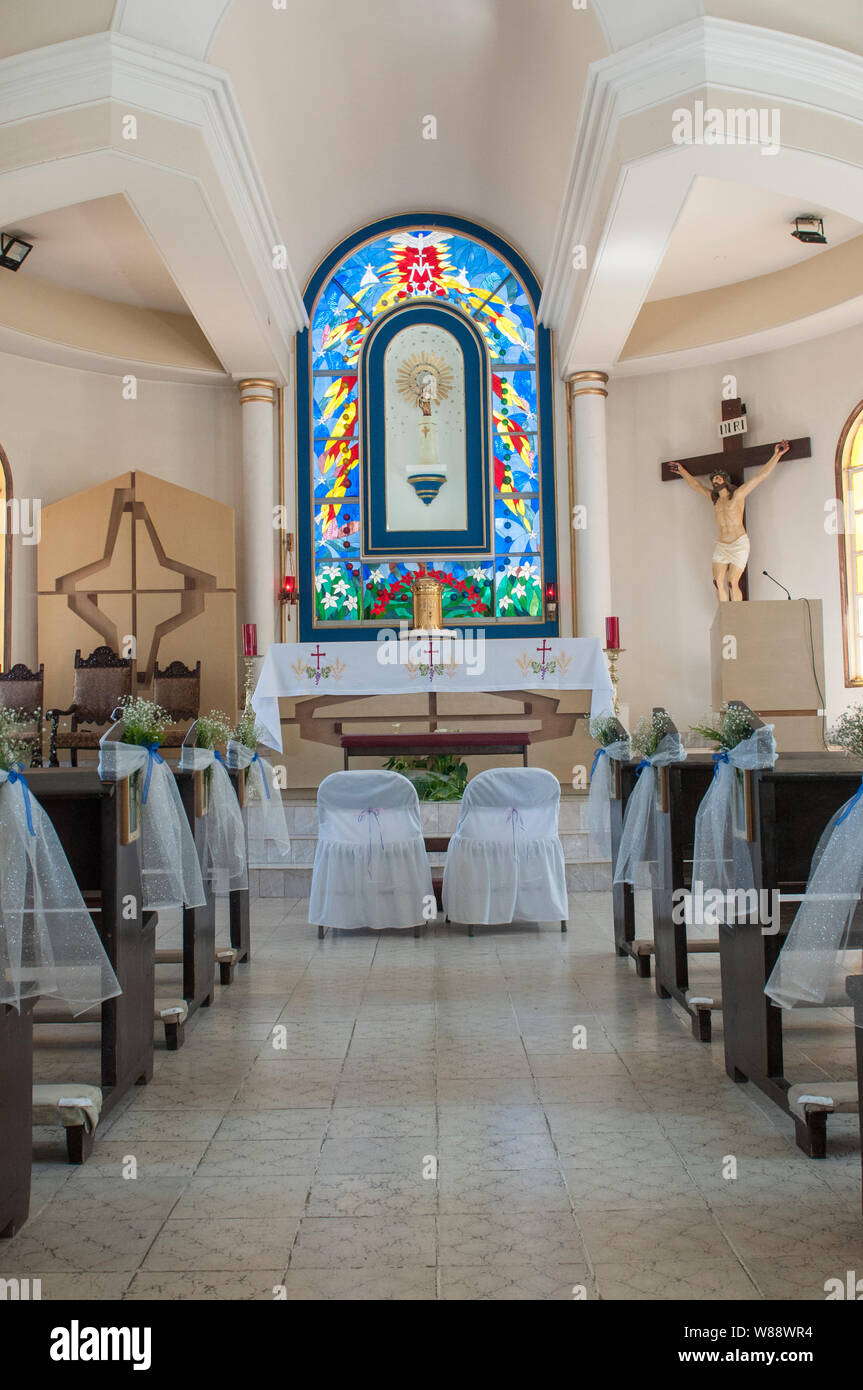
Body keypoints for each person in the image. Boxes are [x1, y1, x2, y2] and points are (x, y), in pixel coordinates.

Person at [669, 441, 790, 601]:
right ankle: (726, 613)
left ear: (726, 480)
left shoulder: (738, 495)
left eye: (718, 478)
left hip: (738, 543)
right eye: (713, 479)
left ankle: (737, 614)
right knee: (717, 582)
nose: (715, 481)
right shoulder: (714, 499)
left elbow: (760, 477)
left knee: (732, 582)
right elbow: (696, 485)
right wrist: (682, 471)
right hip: (722, 545)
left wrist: (776, 455)